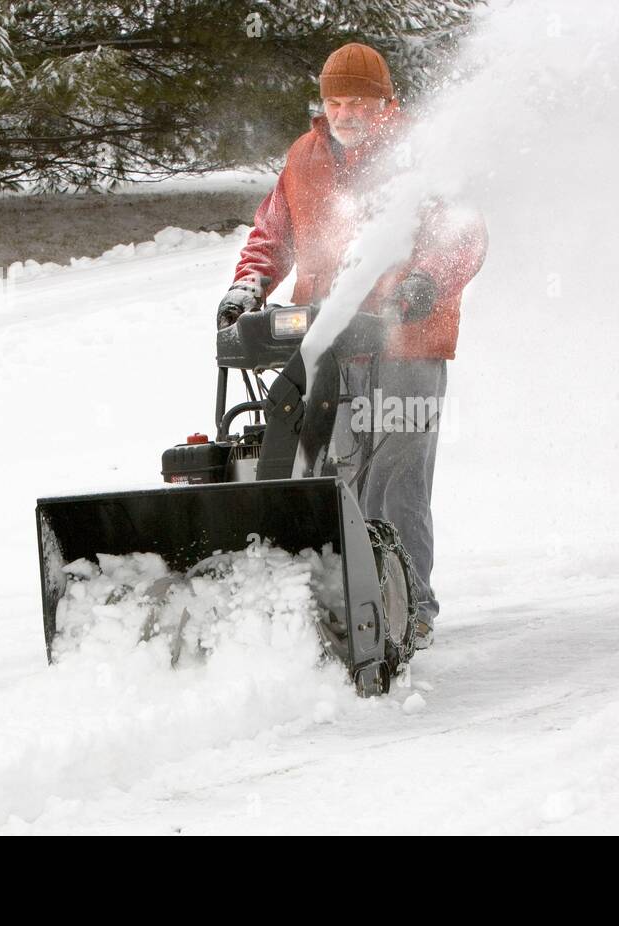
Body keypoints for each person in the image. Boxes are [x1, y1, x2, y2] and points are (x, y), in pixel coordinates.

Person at [218, 42, 487, 648]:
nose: (344, 112)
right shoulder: (305, 157)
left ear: (385, 99)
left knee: (397, 479)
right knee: (337, 477)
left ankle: (410, 606)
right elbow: (271, 234)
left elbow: (465, 234)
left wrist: (425, 281)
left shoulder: (424, 157)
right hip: (332, 345)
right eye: (334, 100)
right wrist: (248, 285)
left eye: (357, 100)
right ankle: (353, 608)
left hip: (407, 345)